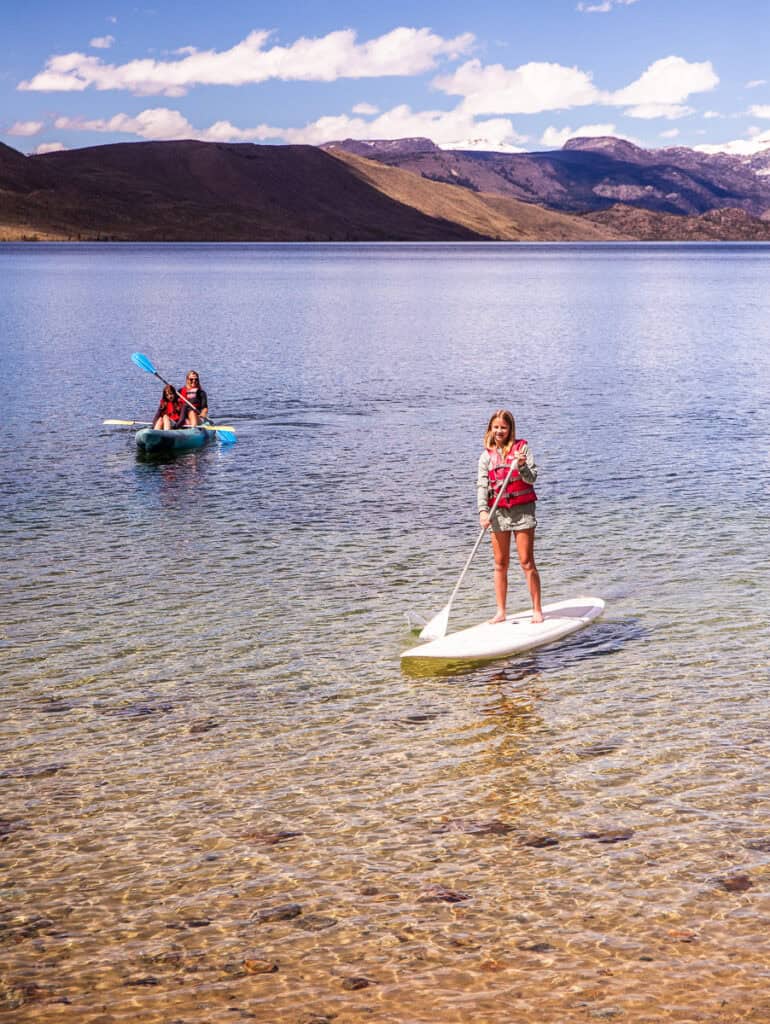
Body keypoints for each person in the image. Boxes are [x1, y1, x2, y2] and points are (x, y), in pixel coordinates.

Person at [477, 409, 543, 625]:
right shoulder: (486, 457)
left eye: (503, 427)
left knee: (526, 561)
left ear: (510, 429)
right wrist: (483, 511)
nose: (499, 431)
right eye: (496, 427)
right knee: (500, 563)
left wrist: (522, 465)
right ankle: (501, 611)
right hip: (498, 514)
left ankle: (536, 610)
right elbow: (482, 486)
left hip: (522, 511)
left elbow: (532, 478)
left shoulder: (522, 449)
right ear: (490, 429)